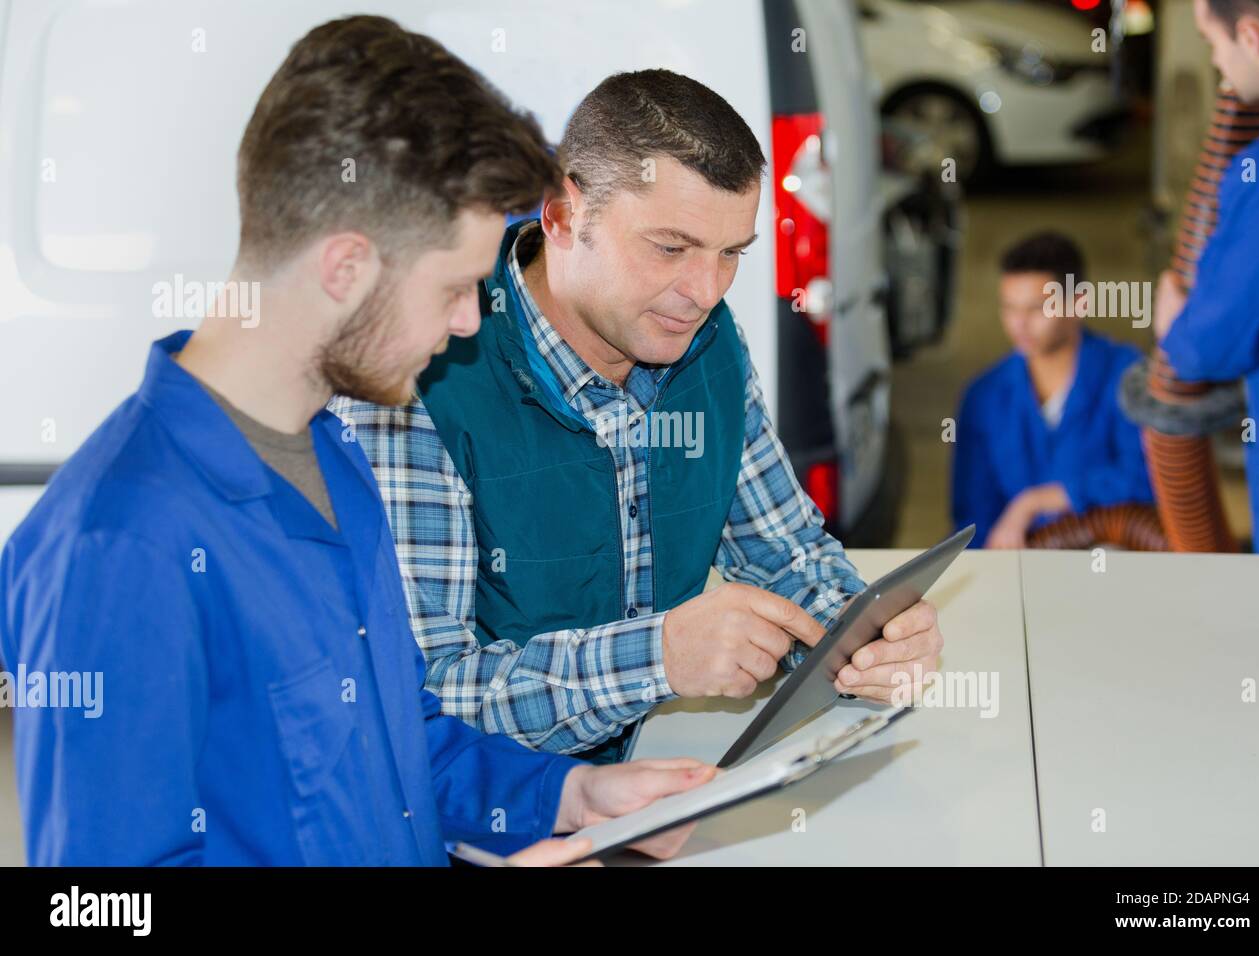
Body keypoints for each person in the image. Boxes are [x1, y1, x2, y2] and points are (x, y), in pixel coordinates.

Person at [0, 16, 714, 867]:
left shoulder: (333, 454)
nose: (465, 324)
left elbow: (395, 745)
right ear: (345, 268)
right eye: (454, 287)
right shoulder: (119, 546)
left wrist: (569, 796)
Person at [331, 69, 944, 763]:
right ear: (562, 216)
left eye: (731, 255)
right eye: (671, 247)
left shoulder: (708, 347)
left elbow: (788, 555)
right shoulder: (428, 375)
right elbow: (430, 696)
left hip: (658, 778)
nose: (705, 291)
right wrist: (658, 658)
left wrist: (862, 635)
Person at [1154, 0, 1259, 554]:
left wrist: (1175, 321)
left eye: (1211, 41)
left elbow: (1205, 348)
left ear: (1253, 37)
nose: (1215, 61)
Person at [952, 232, 1154, 549]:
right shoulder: (984, 397)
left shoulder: (1129, 376)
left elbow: (1149, 479)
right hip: (1016, 568)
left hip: (1114, 566)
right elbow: (972, 517)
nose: (1019, 324)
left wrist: (1038, 500)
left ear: (1079, 303)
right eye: (1009, 308)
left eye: (1036, 308)